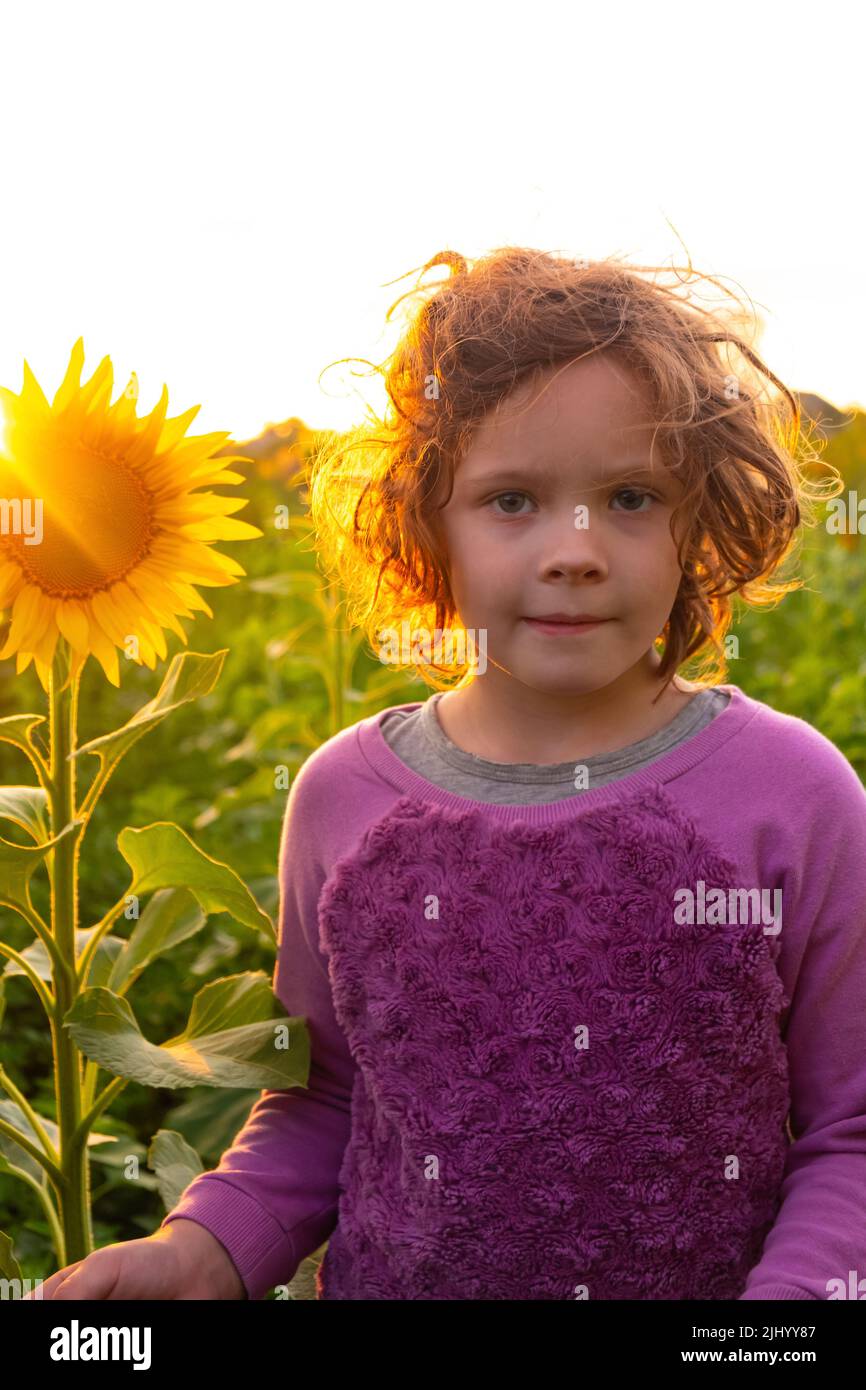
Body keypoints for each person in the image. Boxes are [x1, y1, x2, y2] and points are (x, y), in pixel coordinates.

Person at [34, 246, 866, 1300]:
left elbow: (852, 1133)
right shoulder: (342, 799)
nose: (573, 549)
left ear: (695, 521)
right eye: (511, 500)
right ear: (425, 528)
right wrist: (198, 1250)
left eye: (627, 496)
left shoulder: (790, 795)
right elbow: (325, 1098)